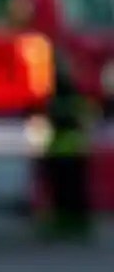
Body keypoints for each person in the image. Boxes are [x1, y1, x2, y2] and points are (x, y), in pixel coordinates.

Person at [37, 57, 97, 240]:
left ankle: (70, 225)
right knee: (69, 192)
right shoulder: (70, 93)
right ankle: (72, 225)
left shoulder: (58, 94)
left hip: (65, 149)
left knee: (67, 192)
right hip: (69, 149)